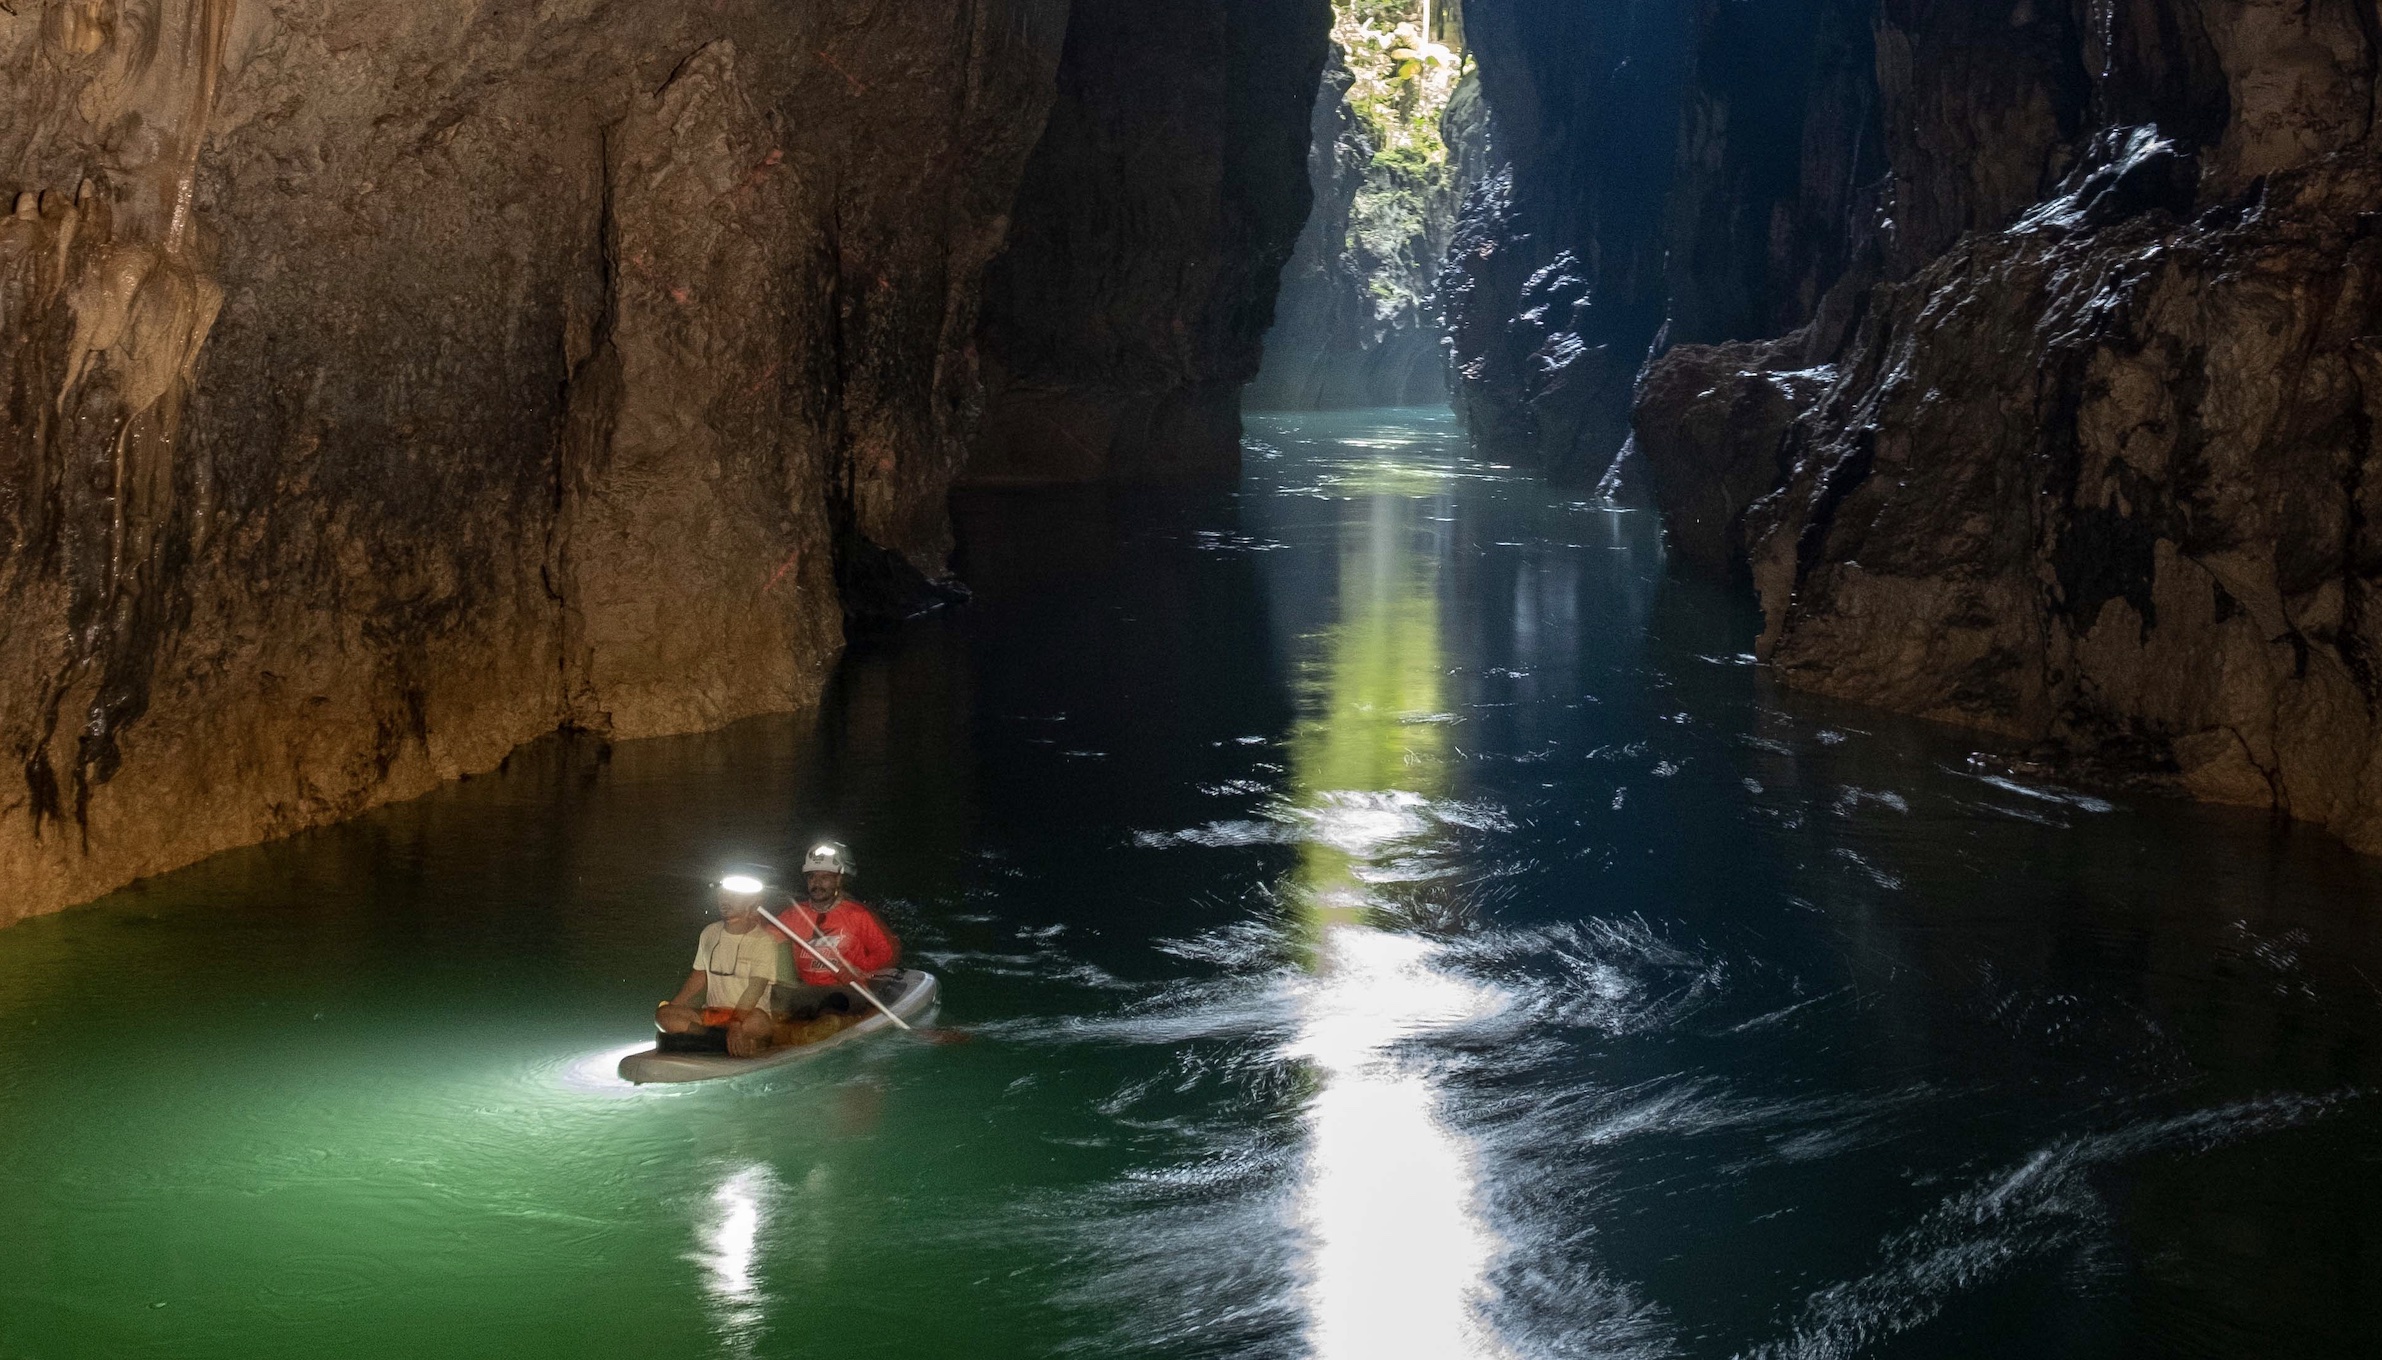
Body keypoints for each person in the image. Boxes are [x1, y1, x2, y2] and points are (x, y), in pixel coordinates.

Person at [656, 872, 795, 1058]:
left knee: (759, 1022)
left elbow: (756, 987)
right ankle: (717, 1040)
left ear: (751, 902)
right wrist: (674, 1006)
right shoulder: (709, 933)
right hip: (713, 1015)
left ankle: (705, 1040)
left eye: (733, 896)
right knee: (663, 1015)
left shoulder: (764, 941)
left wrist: (736, 1023)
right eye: (722, 895)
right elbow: (699, 976)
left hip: (748, 1016)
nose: (725, 901)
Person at [773, 841, 901, 1021]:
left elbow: (886, 953)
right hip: (805, 991)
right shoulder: (792, 915)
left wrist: (860, 970)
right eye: (812, 877)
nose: (816, 884)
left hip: (846, 990)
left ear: (839, 879)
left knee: (834, 1006)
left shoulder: (858, 915)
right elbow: (764, 940)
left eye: (824, 878)